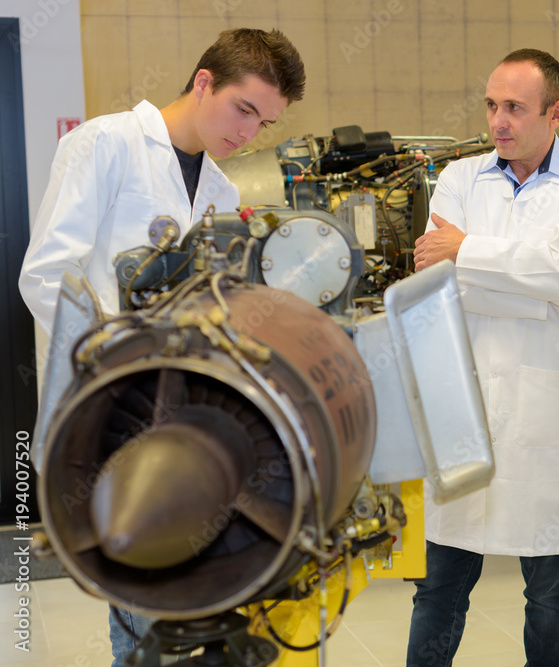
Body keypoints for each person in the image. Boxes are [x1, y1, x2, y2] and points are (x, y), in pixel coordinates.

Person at [19, 28, 305, 667]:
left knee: (194, 586)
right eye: (244, 109)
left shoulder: (223, 194)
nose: (249, 131)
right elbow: (46, 275)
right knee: (143, 595)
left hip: (190, 419)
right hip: (111, 410)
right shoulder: (105, 144)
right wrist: (123, 356)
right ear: (204, 81)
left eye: (265, 121)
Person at [407, 49, 559, 667]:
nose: (499, 120)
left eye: (515, 108)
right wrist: (528, 280)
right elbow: (437, 278)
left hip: (545, 420)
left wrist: (467, 249)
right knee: (439, 585)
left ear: (556, 113)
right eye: (493, 105)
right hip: (463, 410)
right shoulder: (459, 179)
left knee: (550, 592)